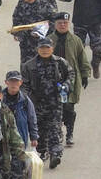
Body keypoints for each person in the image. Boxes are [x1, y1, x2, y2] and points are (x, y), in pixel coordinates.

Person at [21, 36, 72, 169]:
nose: (44, 50)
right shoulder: (29, 66)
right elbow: (24, 85)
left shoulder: (60, 63)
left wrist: (66, 85)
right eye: (42, 48)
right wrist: (25, 99)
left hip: (55, 102)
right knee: (40, 130)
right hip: (37, 103)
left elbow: (70, 75)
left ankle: (56, 154)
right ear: (37, 49)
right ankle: (43, 151)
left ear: (52, 49)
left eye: (47, 48)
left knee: (54, 128)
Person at [51, 12, 91, 148]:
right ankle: (57, 133)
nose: (62, 25)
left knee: (69, 107)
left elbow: (82, 59)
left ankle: (69, 133)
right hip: (52, 80)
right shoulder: (49, 40)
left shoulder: (75, 40)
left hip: (70, 80)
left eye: (65, 23)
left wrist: (85, 74)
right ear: (55, 24)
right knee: (55, 109)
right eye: (60, 23)